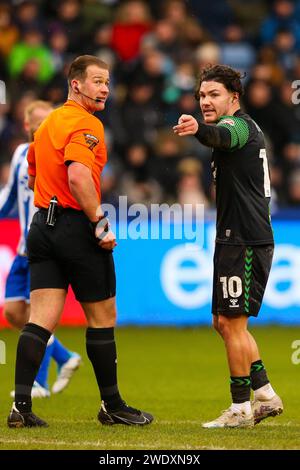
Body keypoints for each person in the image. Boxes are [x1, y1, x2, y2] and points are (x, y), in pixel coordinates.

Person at [7, 55, 153, 428]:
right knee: (102, 319)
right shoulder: (86, 124)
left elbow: (33, 175)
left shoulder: (48, 123)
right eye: (98, 81)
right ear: (77, 84)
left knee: (39, 321)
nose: (105, 88)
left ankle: (20, 406)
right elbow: (77, 177)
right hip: (74, 225)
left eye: (107, 82)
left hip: (41, 226)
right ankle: (112, 405)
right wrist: (99, 222)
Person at [173, 64, 283, 428]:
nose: (205, 100)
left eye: (213, 94)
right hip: (233, 237)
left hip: (246, 239)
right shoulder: (234, 127)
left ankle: (239, 409)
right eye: (202, 95)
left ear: (234, 97)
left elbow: (221, 136)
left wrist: (199, 130)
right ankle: (264, 394)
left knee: (233, 325)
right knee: (223, 323)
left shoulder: (239, 126)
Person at [0, 100, 81, 398]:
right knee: (13, 313)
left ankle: (39, 383)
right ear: (27, 125)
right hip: (23, 245)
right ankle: (64, 356)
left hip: (43, 245)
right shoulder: (22, 153)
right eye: (39, 121)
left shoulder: (62, 154)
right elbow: (9, 199)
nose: (46, 125)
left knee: (38, 314)